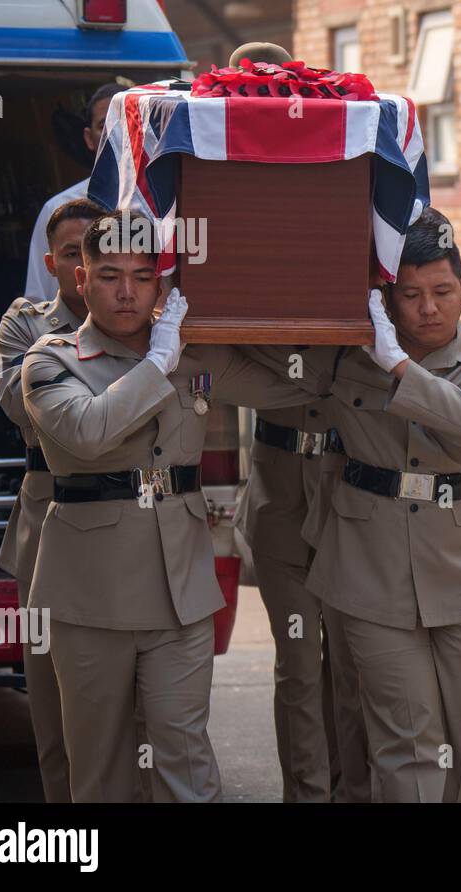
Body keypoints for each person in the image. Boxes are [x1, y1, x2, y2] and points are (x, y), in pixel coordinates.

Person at [21, 210, 322, 802]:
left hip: (180, 588)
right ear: (80, 281)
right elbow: (87, 431)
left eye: (142, 275)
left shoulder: (193, 356)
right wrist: (159, 363)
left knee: (185, 761)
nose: (127, 291)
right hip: (90, 597)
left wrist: (230, 318)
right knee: (100, 770)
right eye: (109, 275)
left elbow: (301, 384)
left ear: (163, 283)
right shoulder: (50, 362)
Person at [305, 208, 461, 802]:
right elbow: (267, 369)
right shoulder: (349, 355)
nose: (429, 308)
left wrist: (396, 365)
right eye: (412, 295)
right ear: (387, 298)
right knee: (408, 742)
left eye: (443, 292)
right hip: (370, 569)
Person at [0, 198, 103, 802]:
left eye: (96, 251)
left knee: (134, 709)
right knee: (53, 701)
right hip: (46, 521)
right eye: (70, 254)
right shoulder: (25, 323)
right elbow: (26, 411)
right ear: (52, 262)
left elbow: (194, 387)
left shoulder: (150, 324)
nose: (84, 267)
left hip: (126, 527)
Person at [235, 342, 370, 802]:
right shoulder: (267, 313)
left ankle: (348, 789)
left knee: (348, 669)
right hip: (280, 505)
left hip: (348, 508)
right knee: (299, 664)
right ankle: (307, 795)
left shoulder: (368, 310)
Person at [25, 84, 125, 301]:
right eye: (104, 125)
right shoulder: (57, 210)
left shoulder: (171, 205)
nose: (116, 133)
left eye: (126, 122)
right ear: (89, 138)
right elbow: (38, 299)